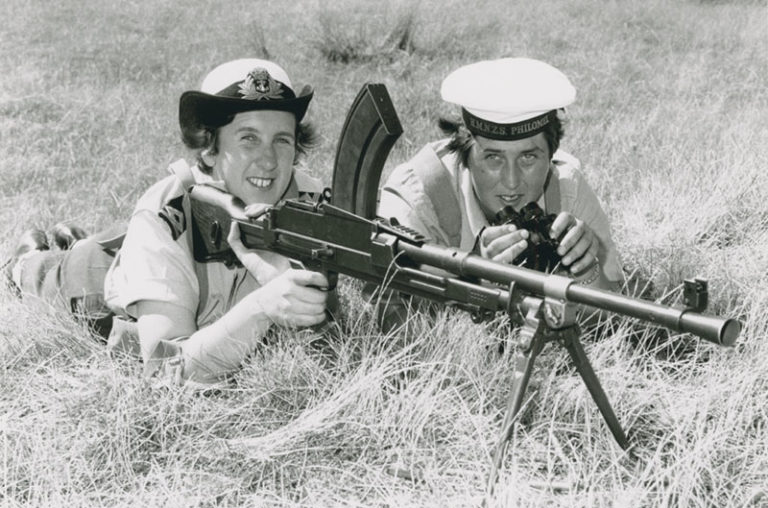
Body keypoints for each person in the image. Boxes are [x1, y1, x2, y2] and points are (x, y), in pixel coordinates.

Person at [6, 58, 331, 384]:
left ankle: (76, 240)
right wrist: (262, 307)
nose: (269, 160)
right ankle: (29, 262)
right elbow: (163, 369)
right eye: (248, 138)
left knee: (116, 244)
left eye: (282, 140)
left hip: (157, 261)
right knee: (54, 277)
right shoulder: (164, 215)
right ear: (209, 148)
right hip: (100, 287)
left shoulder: (310, 198)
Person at [378, 57, 623, 294]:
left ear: (551, 154)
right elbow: (392, 315)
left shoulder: (567, 189)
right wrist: (473, 274)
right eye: (493, 158)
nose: (512, 181)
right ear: (465, 154)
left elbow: (616, 312)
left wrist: (586, 272)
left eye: (528, 157)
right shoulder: (417, 197)